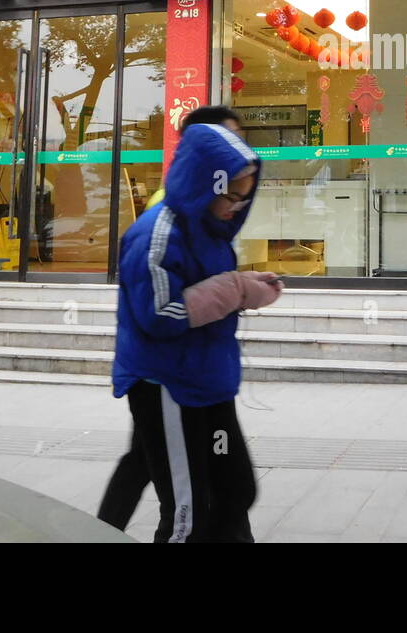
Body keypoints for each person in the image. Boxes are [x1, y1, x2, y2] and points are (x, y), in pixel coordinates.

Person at [106, 119, 282, 542]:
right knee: (187, 513)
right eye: (231, 195)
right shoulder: (156, 236)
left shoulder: (211, 231)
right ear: (205, 183)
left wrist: (247, 287)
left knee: (235, 488)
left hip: (209, 385)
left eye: (245, 197)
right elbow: (160, 314)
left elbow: (213, 293)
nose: (237, 206)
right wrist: (235, 289)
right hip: (169, 388)